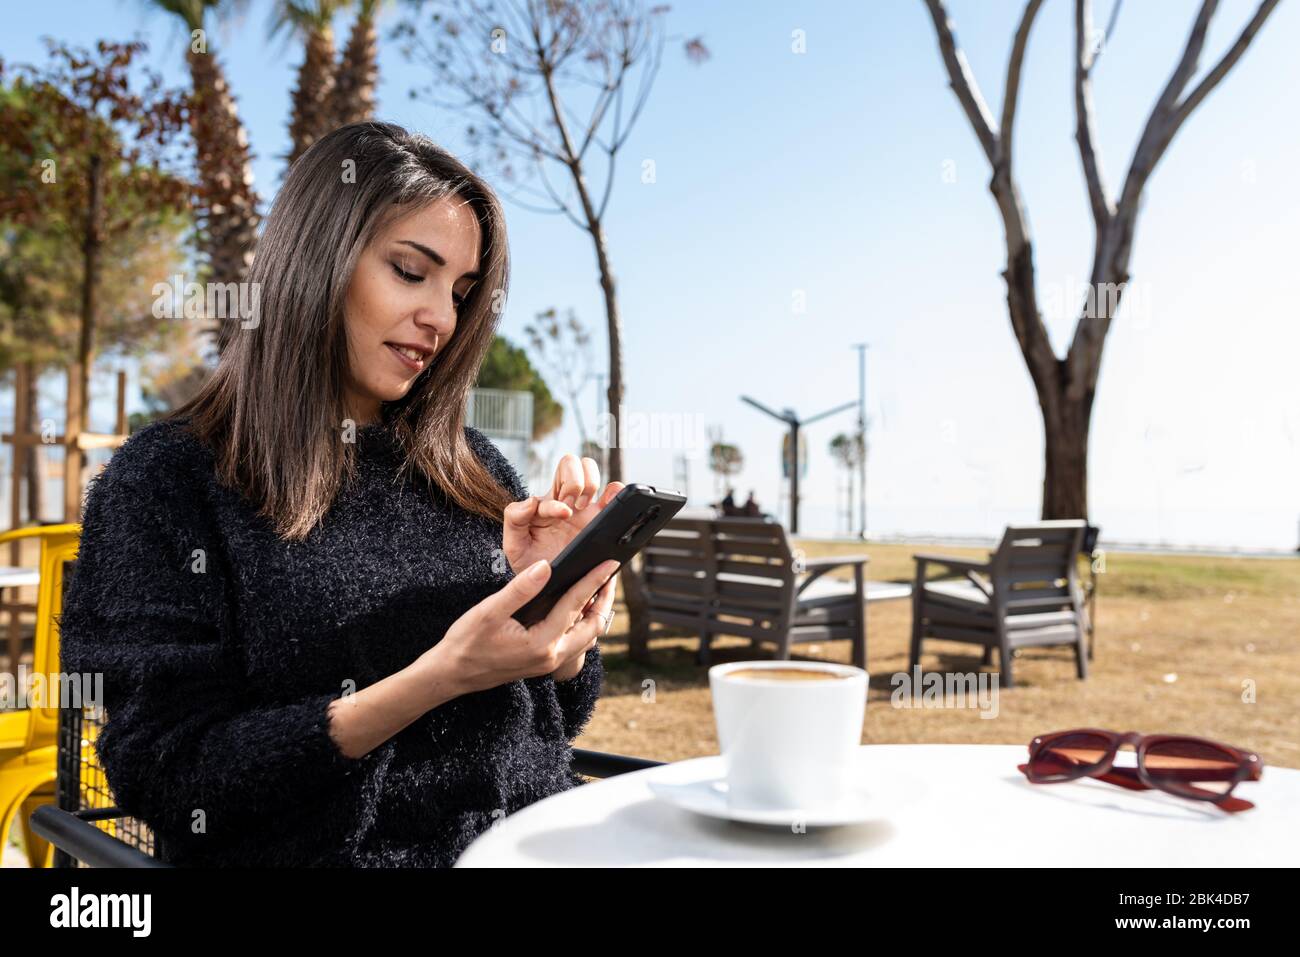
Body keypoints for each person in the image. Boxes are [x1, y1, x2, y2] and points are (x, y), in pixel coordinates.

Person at [58, 121, 624, 868]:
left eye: (460, 292)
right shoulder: (167, 481)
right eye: (410, 271)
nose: (442, 319)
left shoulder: (471, 468)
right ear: (317, 257)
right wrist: (433, 679)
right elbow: (165, 770)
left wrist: (560, 639)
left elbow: (549, 727)